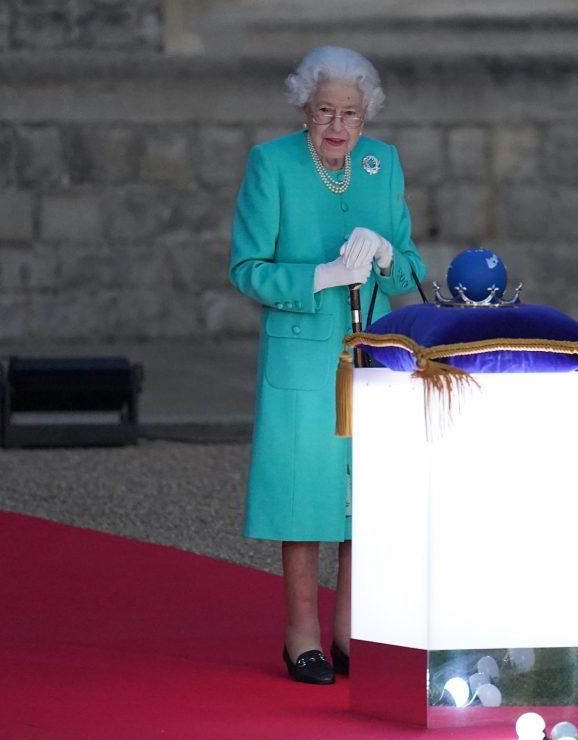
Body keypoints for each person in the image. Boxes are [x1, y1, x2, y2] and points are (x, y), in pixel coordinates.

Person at [229, 45, 426, 684]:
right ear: (304, 110)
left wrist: (388, 254)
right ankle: (301, 637)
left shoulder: (382, 164)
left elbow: (413, 271)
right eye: (325, 112)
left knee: (361, 499)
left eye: (351, 114)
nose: (338, 127)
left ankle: (351, 632)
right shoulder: (273, 164)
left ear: (365, 119)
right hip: (302, 360)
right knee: (304, 496)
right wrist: (322, 274)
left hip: (372, 357)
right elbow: (246, 268)